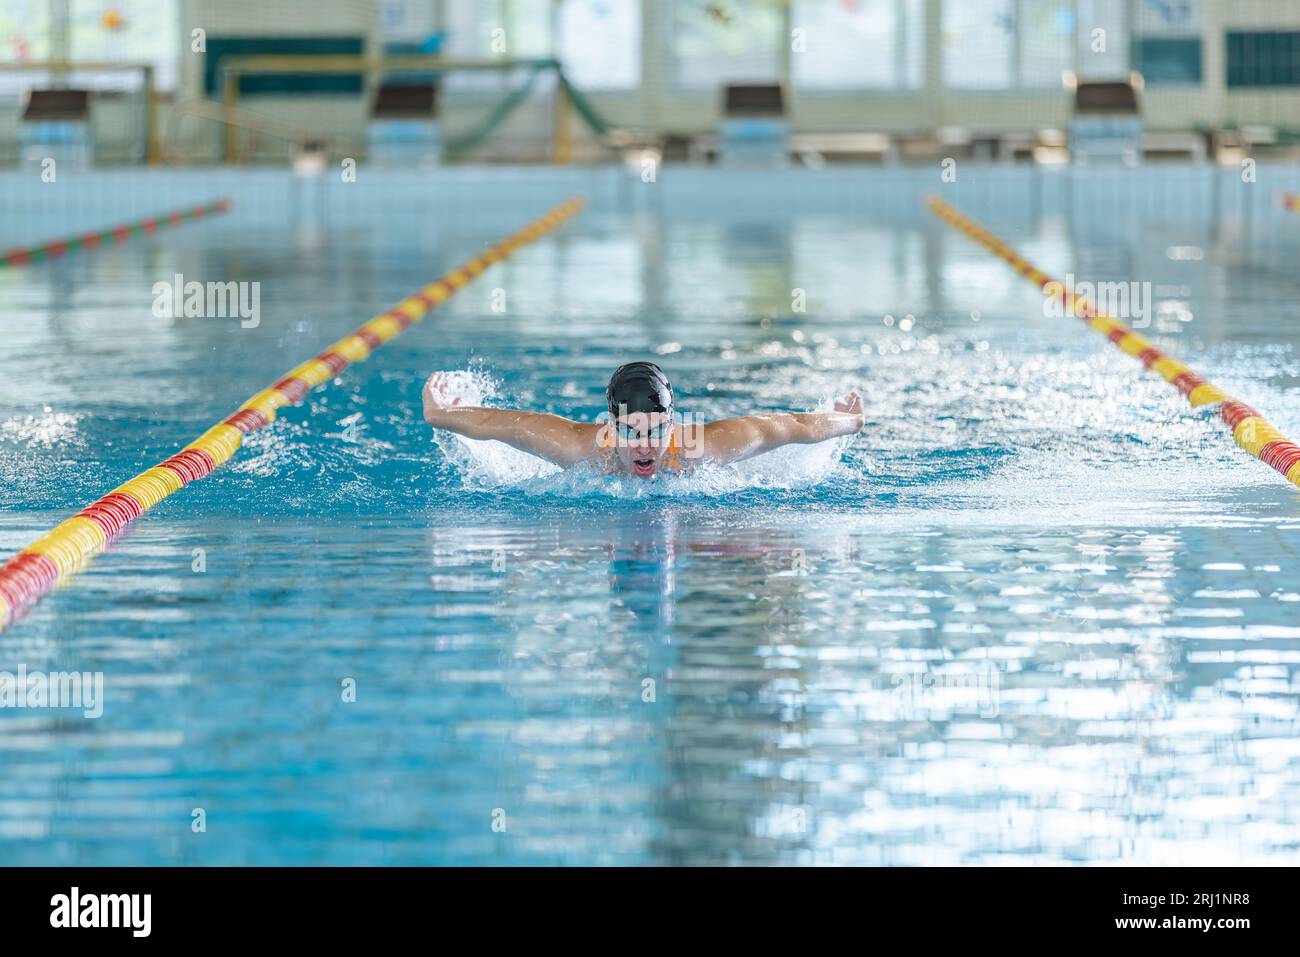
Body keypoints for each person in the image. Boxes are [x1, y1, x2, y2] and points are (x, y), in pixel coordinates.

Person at [422, 361, 865, 479]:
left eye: (656, 431)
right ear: (609, 425)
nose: (645, 446)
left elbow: (788, 427)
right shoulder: (581, 447)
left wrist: (849, 422)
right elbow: (504, 424)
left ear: (672, 425)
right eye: (630, 432)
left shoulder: (701, 448)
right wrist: (441, 415)